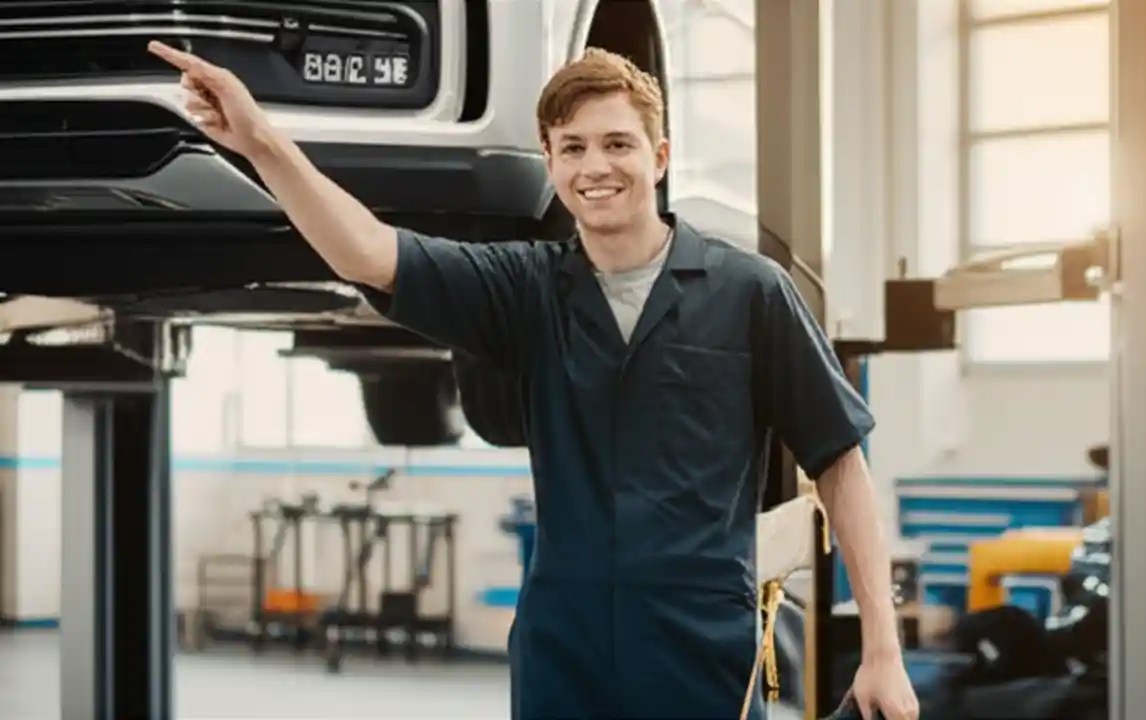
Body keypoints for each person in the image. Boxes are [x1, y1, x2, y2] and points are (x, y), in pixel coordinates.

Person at [148, 40, 920, 720]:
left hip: (699, 649)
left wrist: (882, 650)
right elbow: (369, 253)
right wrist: (262, 142)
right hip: (563, 649)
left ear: (659, 157)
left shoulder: (749, 293)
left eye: (617, 143)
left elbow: (839, 461)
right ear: (550, 164)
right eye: (572, 147)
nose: (595, 167)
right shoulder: (525, 290)